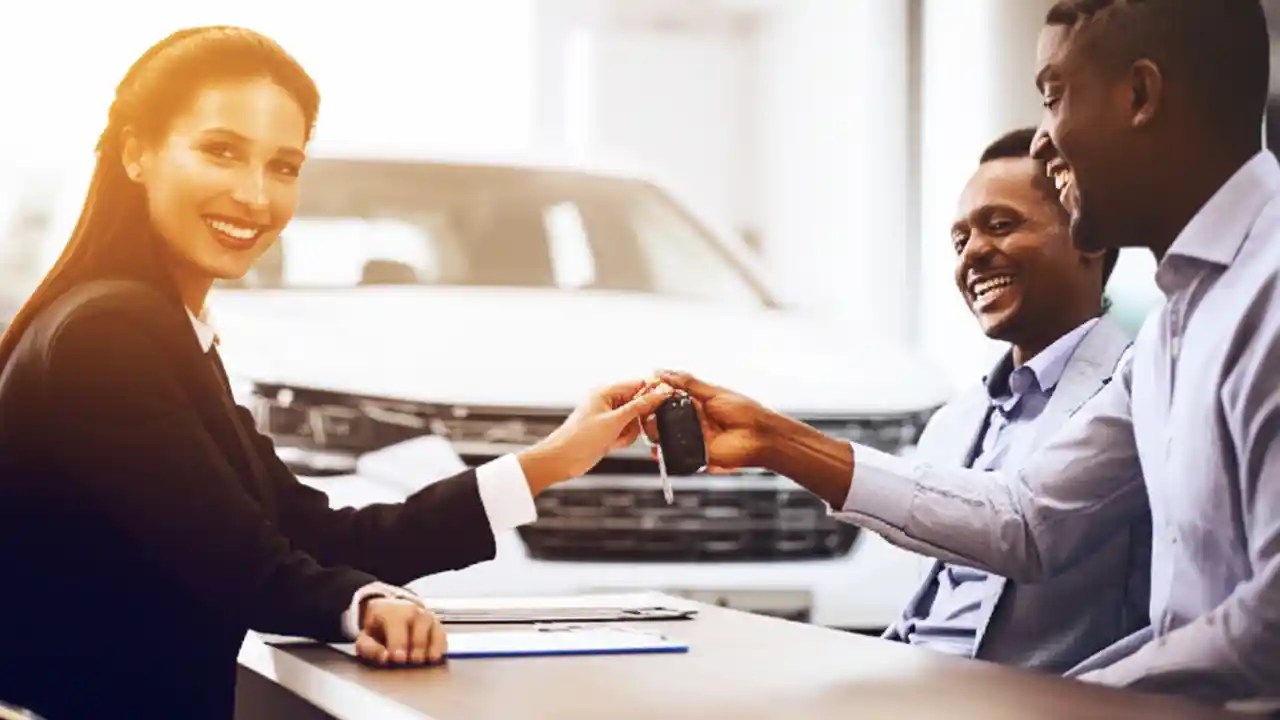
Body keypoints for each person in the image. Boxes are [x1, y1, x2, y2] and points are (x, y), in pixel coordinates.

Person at [0, 26, 672, 720]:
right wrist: (360, 602)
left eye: (283, 166)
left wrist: (554, 460)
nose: (254, 196)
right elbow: (240, 563)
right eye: (221, 151)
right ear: (136, 152)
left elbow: (318, 536)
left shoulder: (157, 330)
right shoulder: (106, 334)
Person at [654, 0, 1279, 706]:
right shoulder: (1172, 330)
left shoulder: (1265, 291)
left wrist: (1053, 703)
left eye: (1054, 96)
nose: (1042, 142)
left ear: (1139, 95)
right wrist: (773, 439)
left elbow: (1269, 628)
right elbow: (1027, 520)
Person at [882, 127, 1146, 672]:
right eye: (960, 241)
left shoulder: (1143, 391)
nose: (974, 254)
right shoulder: (952, 422)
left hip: (1039, 699)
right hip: (911, 681)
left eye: (1000, 225)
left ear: (1089, 237)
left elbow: (1023, 527)